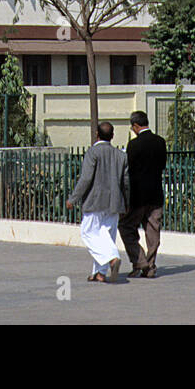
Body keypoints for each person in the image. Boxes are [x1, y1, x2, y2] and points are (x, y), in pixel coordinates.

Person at [66, 121, 130, 283]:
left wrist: (73, 198)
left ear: (97, 134)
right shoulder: (121, 155)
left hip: (95, 201)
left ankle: (112, 259)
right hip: (114, 202)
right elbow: (126, 182)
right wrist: (126, 203)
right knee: (105, 236)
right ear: (113, 136)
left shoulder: (92, 153)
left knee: (88, 233)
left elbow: (86, 178)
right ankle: (99, 273)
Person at [120, 110, 166, 278]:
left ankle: (140, 261)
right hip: (156, 194)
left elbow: (128, 171)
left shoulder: (133, 145)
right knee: (153, 230)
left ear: (136, 126)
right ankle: (151, 265)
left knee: (126, 227)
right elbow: (162, 165)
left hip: (138, 196)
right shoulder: (160, 142)